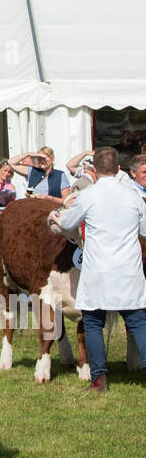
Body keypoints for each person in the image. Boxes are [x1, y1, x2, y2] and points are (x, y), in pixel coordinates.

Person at [49, 146, 146, 394]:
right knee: (137, 322)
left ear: (93, 170)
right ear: (119, 169)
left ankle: (99, 380)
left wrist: (55, 218)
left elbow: (68, 223)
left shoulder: (87, 196)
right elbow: (144, 231)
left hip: (98, 273)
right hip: (128, 272)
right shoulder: (134, 196)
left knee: (93, 324)